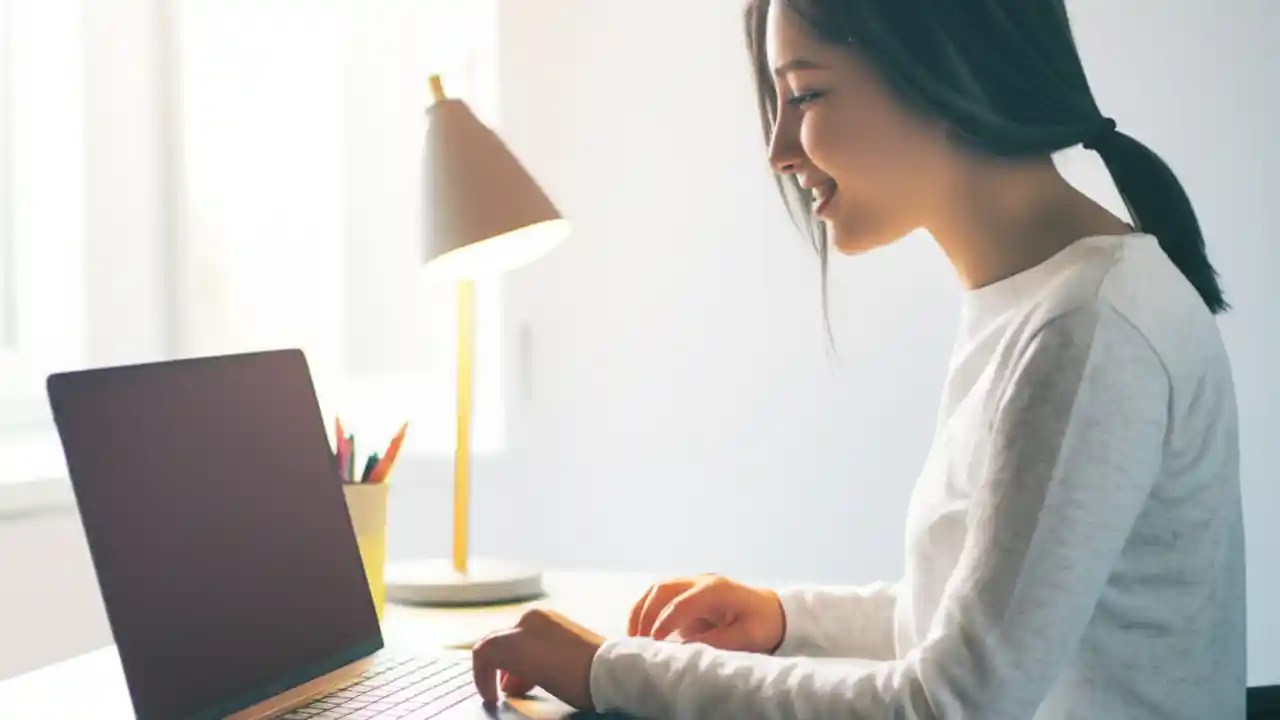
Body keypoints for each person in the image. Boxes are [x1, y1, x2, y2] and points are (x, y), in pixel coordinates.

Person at [469, 1, 1247, 717]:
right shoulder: (1043, 303)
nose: (779, 150)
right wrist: (783, 620)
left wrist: (612, 669)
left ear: (943, 67)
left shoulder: (1086, 330)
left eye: (804, 96)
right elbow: (970, 625)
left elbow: (949, 702)